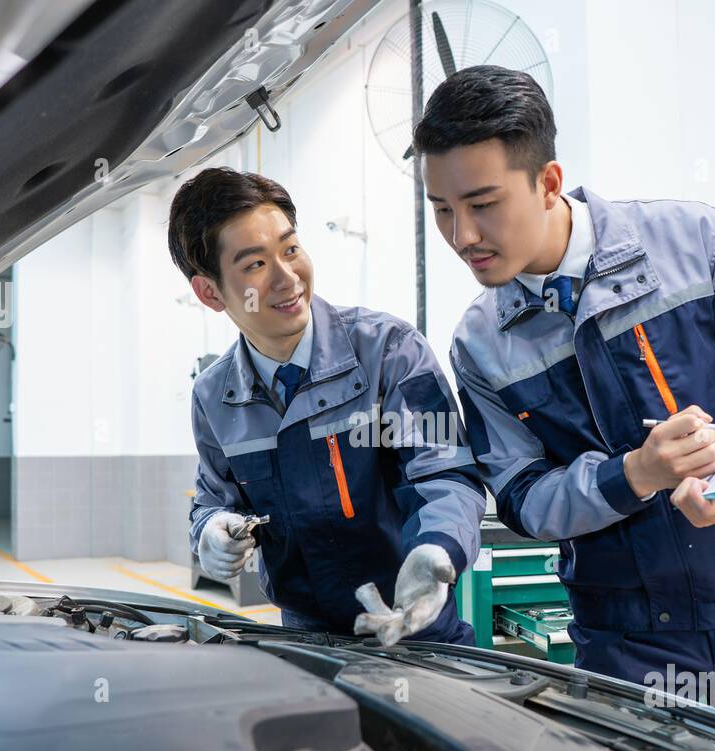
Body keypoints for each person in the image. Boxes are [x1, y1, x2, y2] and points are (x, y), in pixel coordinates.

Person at [413, 66, 715, 747]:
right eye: (441, 209)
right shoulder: (480, 345)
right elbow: (523, 498)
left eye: (483, 203)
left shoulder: (697, 244)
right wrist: (634, 474)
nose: (463, 234)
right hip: (627, 649)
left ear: (548, 182)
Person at [171, 167, 485, 644]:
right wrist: (211, 528)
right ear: (210, 292)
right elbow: (214, 498)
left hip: (420, 629)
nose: (287, 278)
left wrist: (437, 551)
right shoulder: (215, 396)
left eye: (290, 249)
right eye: (255, 264)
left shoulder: (389, 350)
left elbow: (445, 474)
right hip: (306, 640)